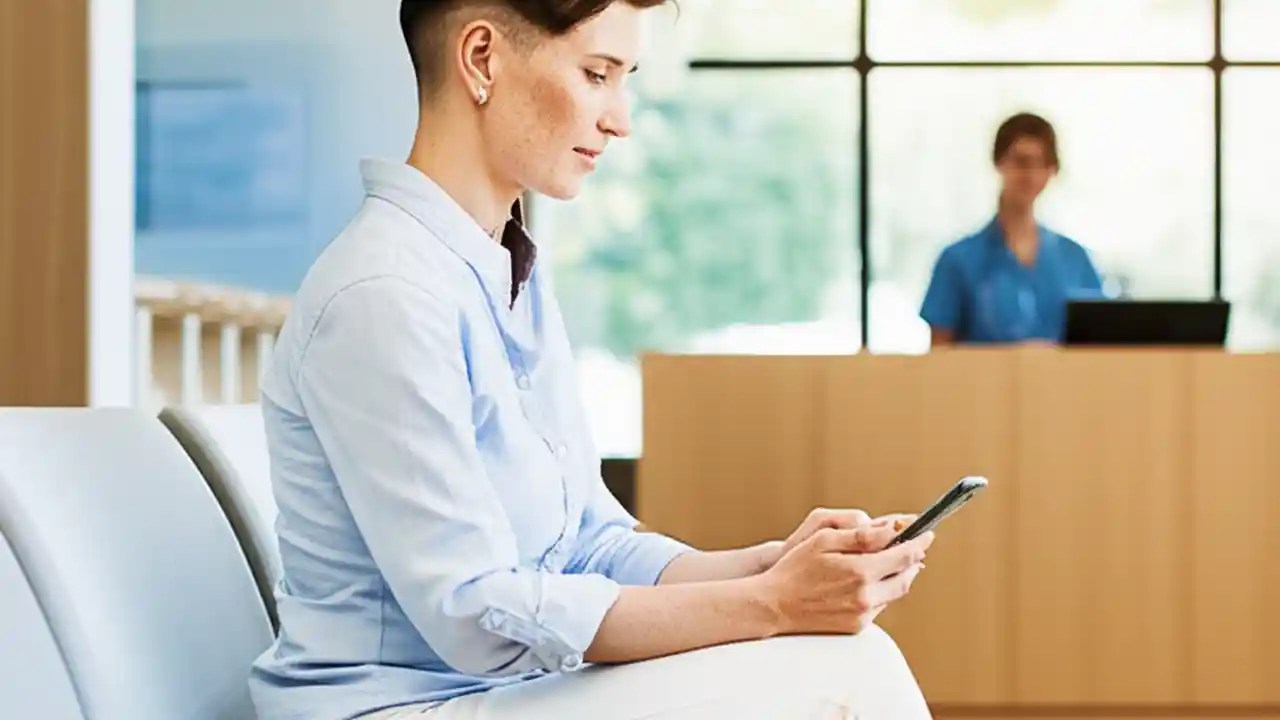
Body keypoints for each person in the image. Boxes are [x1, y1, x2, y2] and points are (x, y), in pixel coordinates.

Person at [249, 2, 935, 718]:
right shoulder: (384, 295)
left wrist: (772, 565)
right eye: (597, 74)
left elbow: (589, 543)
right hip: (406, 707)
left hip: (506, 691)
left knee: (846, 657)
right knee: (847, 672)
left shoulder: (505, 269)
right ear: (482, 58)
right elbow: (477, 615)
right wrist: (769, 604)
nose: (620, 119)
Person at [921, 112, 1105, 347]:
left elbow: (1098, 348)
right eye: (1022, 162)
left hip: (1061, 383)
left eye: (1043, 164)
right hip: (981, 383)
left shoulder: (1075, 259)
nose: (1031, 175)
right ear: (999, 162)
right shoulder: (958, 260)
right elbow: (939, 357)